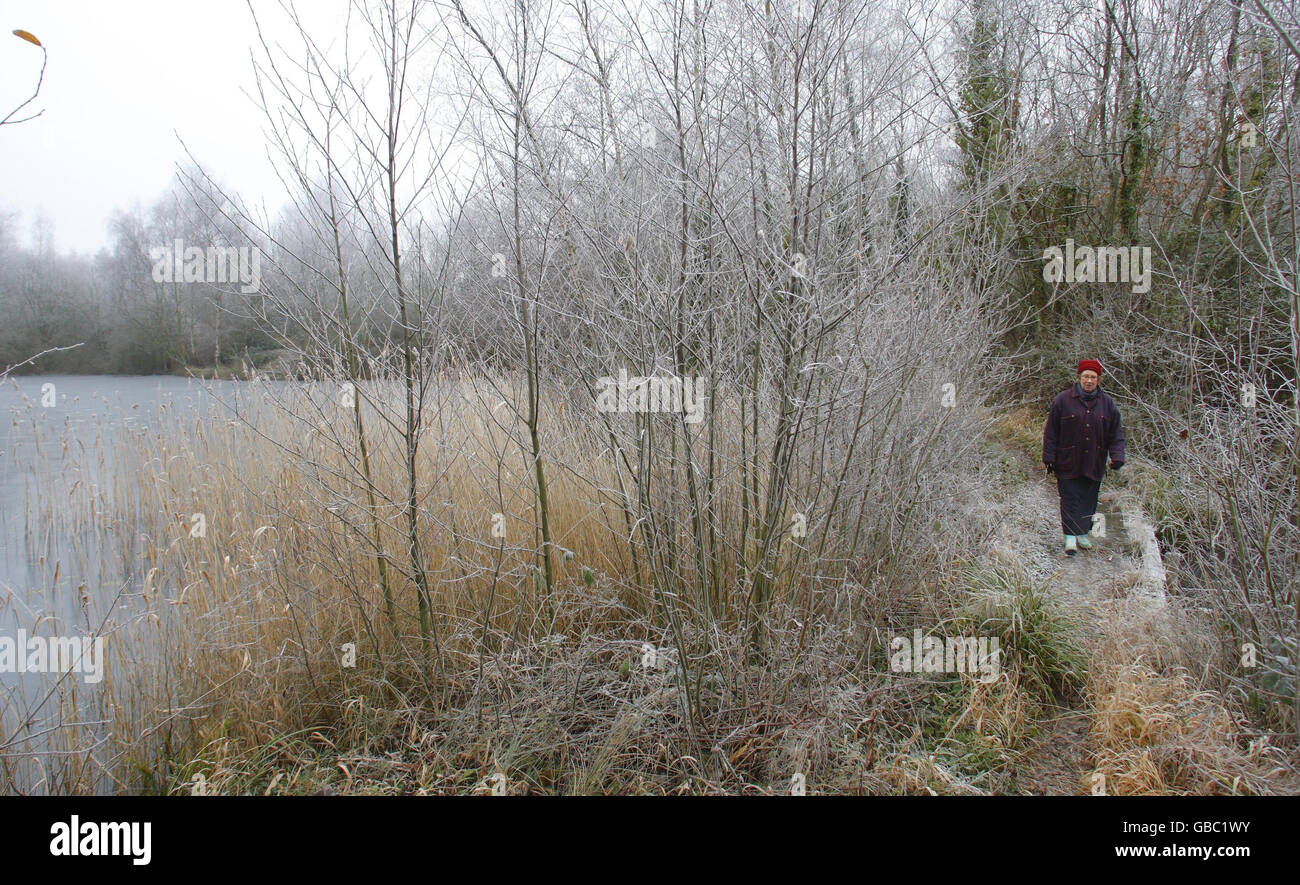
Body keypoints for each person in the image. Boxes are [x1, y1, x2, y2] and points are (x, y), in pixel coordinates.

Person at [1042, 359, 1125, 555]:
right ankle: (1070, 538)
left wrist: (1117, 457)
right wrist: (1049, 457)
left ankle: (1082, 533)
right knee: (1070, 497)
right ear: (1079, 377)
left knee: (1088, 499)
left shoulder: (1108, 404)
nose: (1089, 380)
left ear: (1099, 380)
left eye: (1093, 377)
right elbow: (1051, 431)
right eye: (1086, 376)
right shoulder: (1063, 400)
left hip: (1094, 462)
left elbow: (1116, 434)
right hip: (1067, 460)